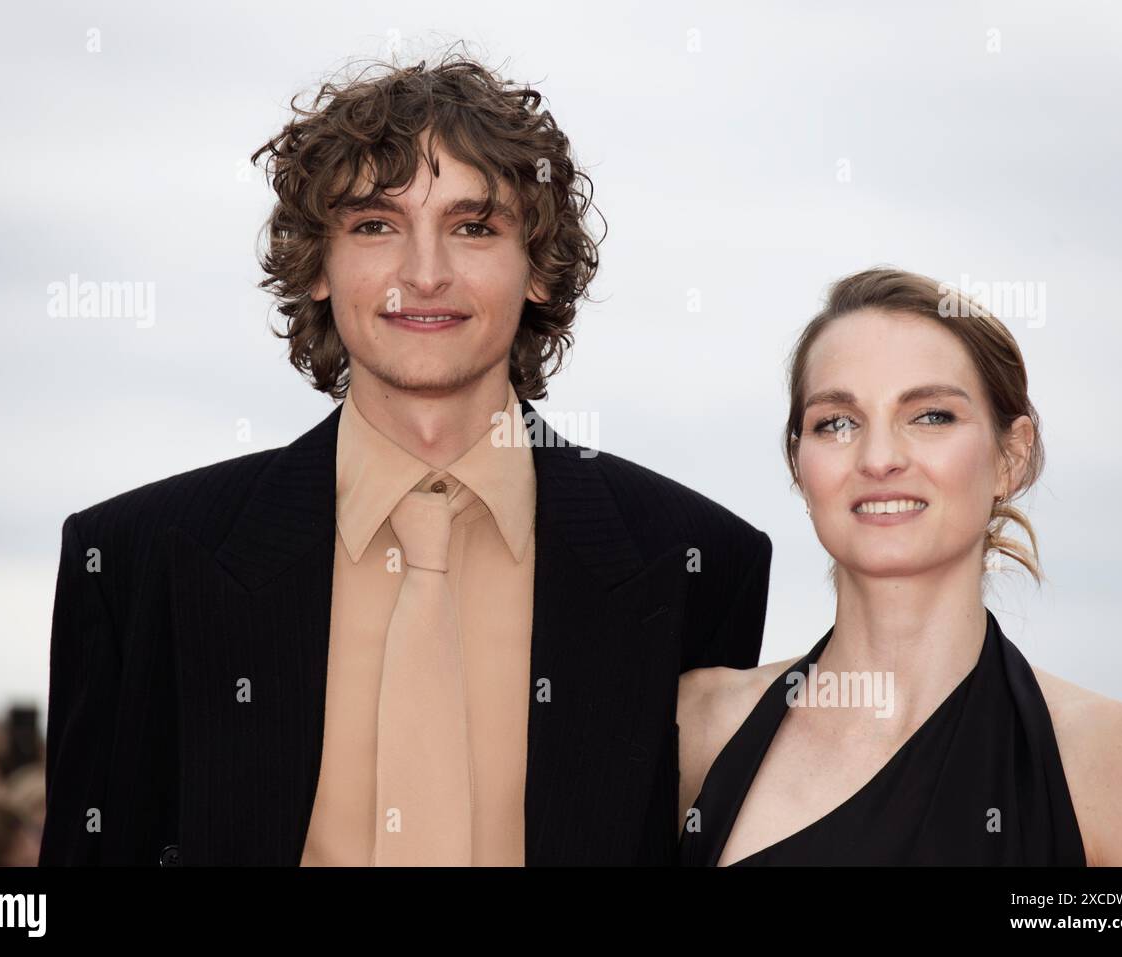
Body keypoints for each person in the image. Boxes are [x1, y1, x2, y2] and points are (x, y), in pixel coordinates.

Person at [38, 50, 772, 867]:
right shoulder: (137, 563)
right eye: (376, 225)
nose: (425, 275)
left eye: (474, 226)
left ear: (538, 266)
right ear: (318, 264)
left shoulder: (698, 563)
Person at [678, 267, 1122, 866]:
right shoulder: (700, 728)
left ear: (1011, 458)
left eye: (931, 416)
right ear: (800, 464)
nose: (878, 459)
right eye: (836, 423)